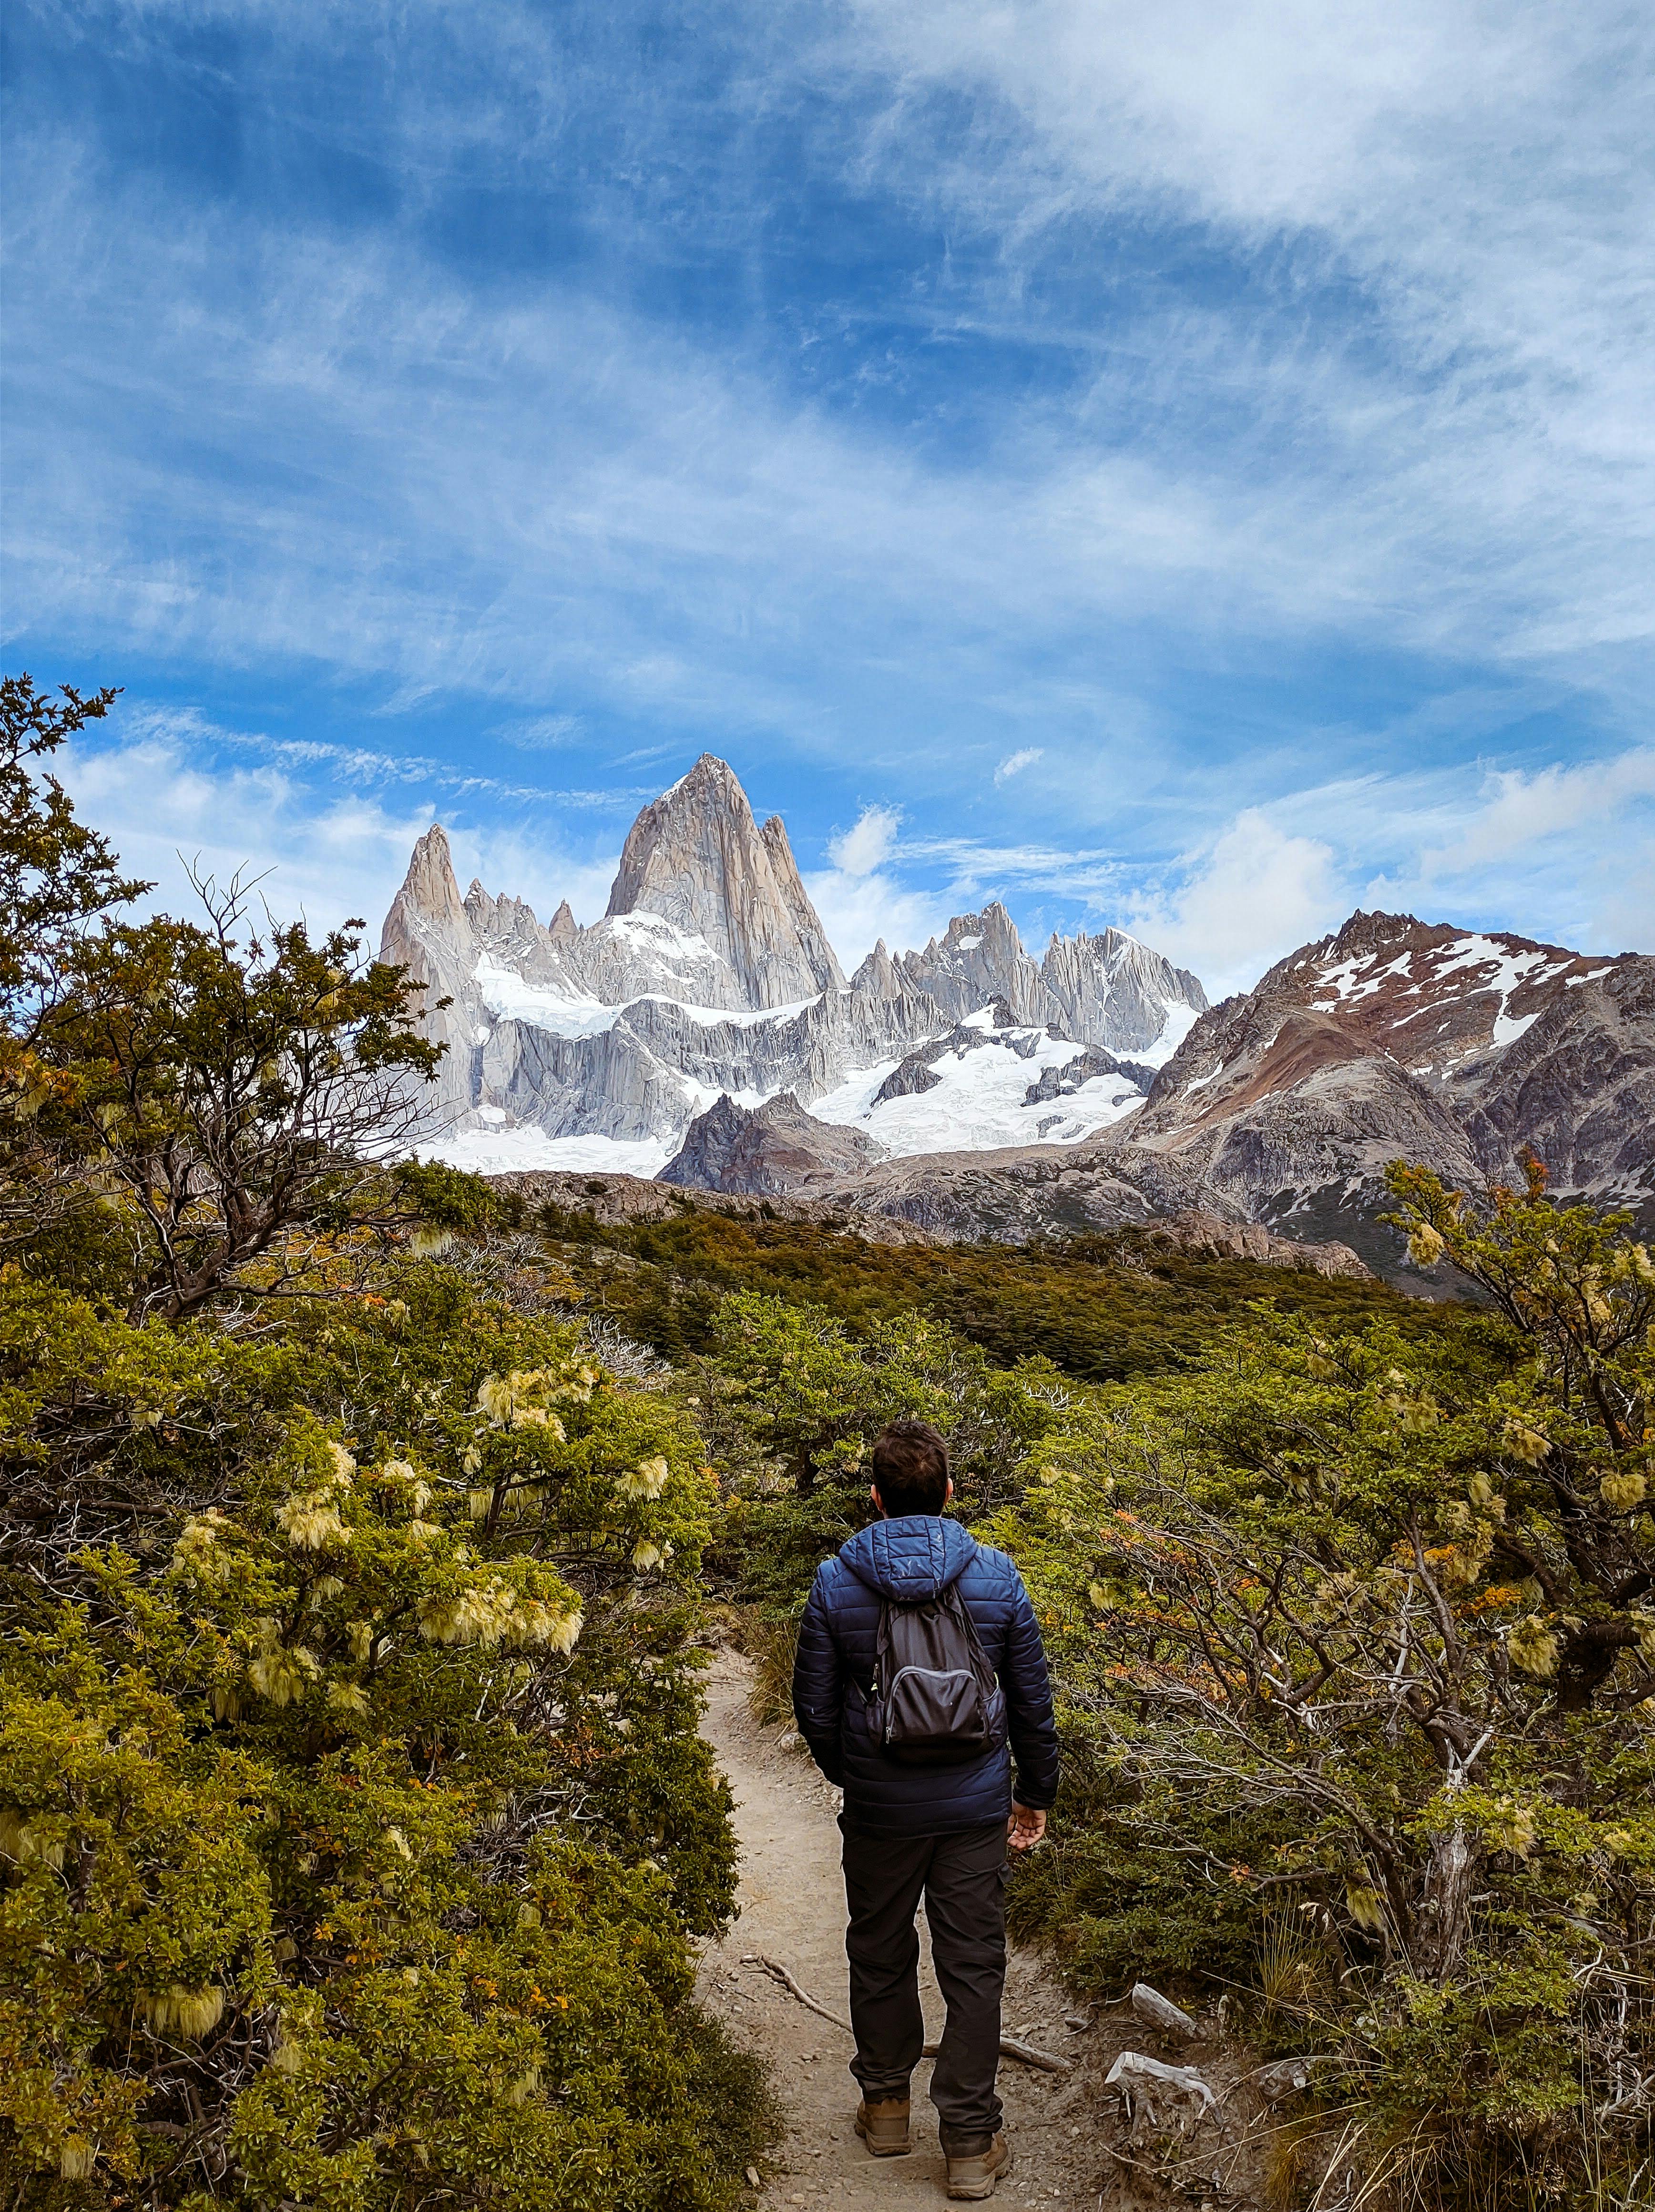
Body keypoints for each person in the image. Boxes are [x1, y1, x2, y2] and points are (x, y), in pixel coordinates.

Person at [791, 1418, 1060, 2202]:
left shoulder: (837, 1580)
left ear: (874, 1498)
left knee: (879, 1949)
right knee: (972, 1968)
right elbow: (1034, 1704)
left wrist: (858, 1772)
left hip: (881, 1810)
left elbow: (811, 1704)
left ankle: (885, 2111)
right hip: (974, 1809)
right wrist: (1033, 1794)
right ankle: (971, 2146)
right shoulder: (997, 1575)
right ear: (948, 1493)